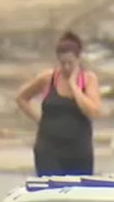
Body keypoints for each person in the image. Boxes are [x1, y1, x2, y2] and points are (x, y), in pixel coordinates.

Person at [15, 31, 102, 176]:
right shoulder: (48, 78)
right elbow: (21, 98)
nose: (67, 67)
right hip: (48, 149)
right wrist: (40, 120)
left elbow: (94, 112)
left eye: (70, 63)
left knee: (77, 195)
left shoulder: (88, 79)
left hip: (78, 150)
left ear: (78, 59)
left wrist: (74, 87)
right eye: (63, 64)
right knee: (50, 191)